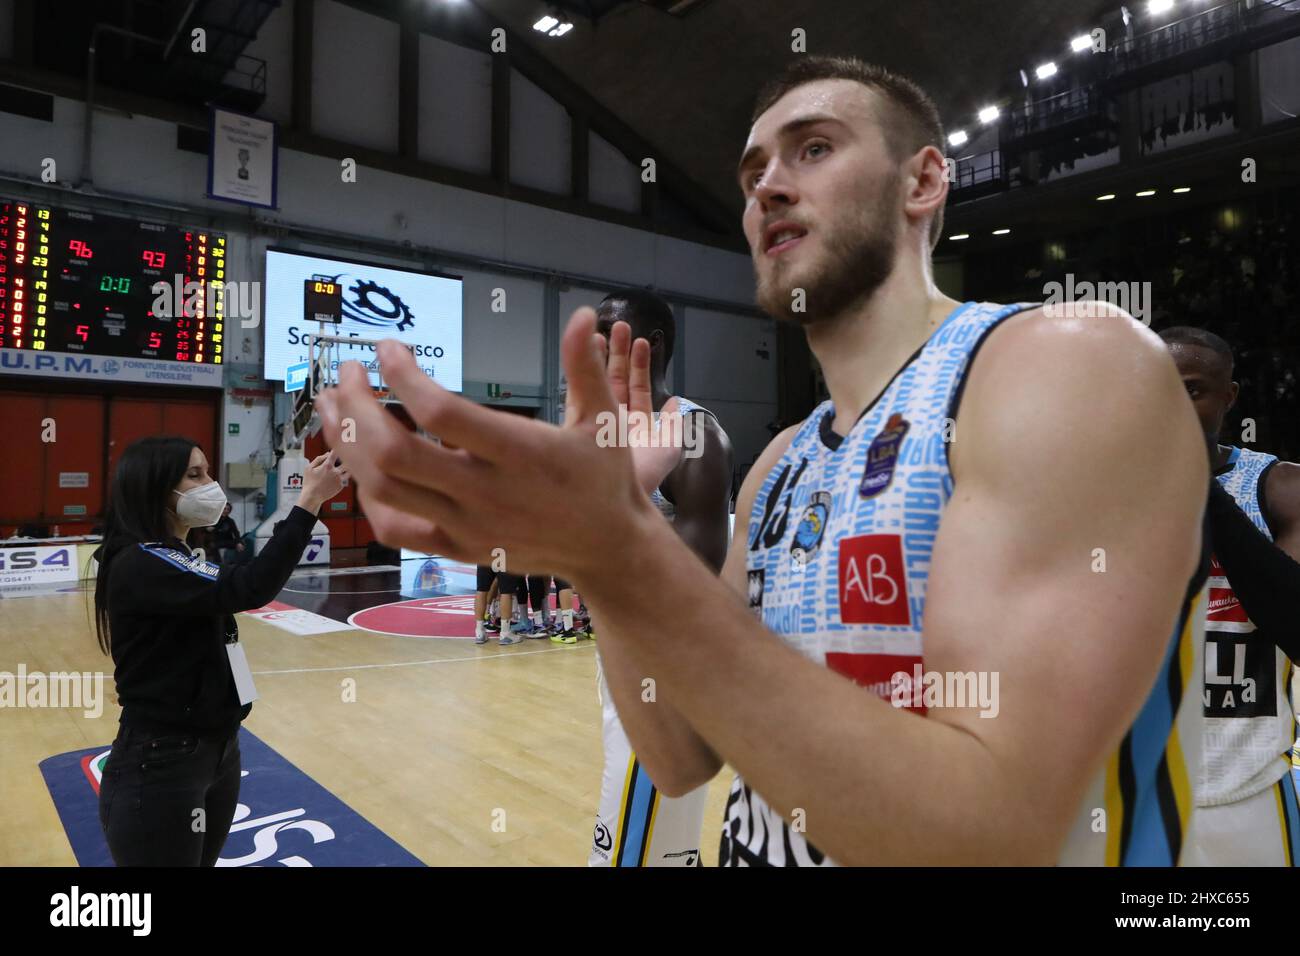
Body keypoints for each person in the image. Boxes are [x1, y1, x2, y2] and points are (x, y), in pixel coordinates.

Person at [316, 55, 1209, 865]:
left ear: (925, 179)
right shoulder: (783, 460)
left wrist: (616, 548)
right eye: (752, 175)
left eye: (813, 148)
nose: (769, 187)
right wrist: (611, 533)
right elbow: (674, 753)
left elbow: (989, 834)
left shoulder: (1065, 364)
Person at [92, 437, 346, 866]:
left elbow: (243, 576)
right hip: (163, 761)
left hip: (218, 749)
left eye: (207, 471)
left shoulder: (178, 554)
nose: (211, 483)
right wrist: (308, 503)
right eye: (195, 475)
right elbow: (250, 586)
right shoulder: (142, 561)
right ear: (156, 488)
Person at [587, 291, 734, 866]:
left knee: (628, 850)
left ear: (657, 344)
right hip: (622, 665)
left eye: (612, 329)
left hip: (666, 676)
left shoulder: (695, 437)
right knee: (666, 853)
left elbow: (687, 585)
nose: (598, 342)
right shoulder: (608, 433)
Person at [1160, 326, 1300, 865]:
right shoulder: (1099, 490)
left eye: (1192, 389)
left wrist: (1198, 484)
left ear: (1228, 397)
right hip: (1141, 790)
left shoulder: (1280, 489)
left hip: (1249, 788)